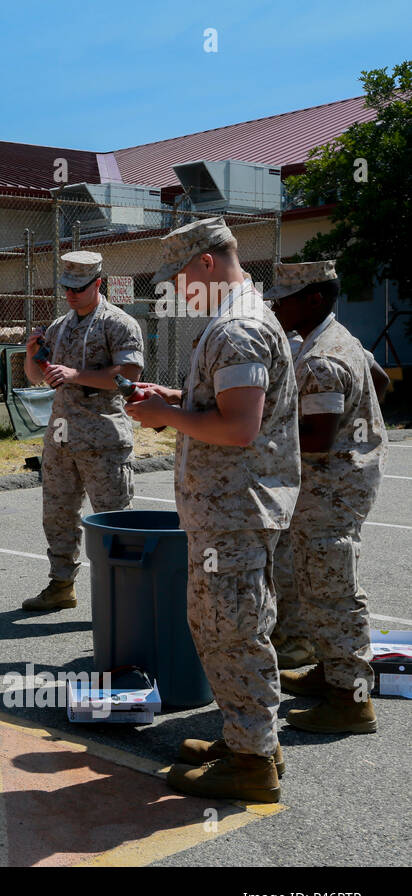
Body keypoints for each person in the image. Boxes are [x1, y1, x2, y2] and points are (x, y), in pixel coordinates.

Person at [126, 218, 299, 802]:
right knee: (233, 625)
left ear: (203, 263)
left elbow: (239, 427)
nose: (176, 291)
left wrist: (165, 418)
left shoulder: (239, 328)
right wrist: (175, 400)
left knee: (232, 631)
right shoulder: (234, 321)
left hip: (234, 510)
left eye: (177, 278)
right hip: (229, 509)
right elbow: (227, 406)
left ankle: (252, 762)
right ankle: (249, 739)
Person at [264, 260, 384, 734]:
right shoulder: (340, 338)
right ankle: (331, 672)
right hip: (339, 481)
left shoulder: (321, 359)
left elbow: (315, 437)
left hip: (330, 488)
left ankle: (350, 699)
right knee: (316, 583)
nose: (276, 306)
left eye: (285, 298)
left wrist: (259, 427)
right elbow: (382, 382)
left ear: (314, 299)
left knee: (333, 590)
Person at [21, 250, 144, 611]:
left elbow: (130, 376)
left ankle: (125, 598)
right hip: (61, 439)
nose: (71, 294)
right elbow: (35, 378)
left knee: (114, 521)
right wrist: (32, 354)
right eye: (67, 288)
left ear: (98, 283)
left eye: (79, 287)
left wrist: (76, 375)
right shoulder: (60, 327)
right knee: (58, 515)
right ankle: (61, 585)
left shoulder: (118, 324)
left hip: (103, 440)